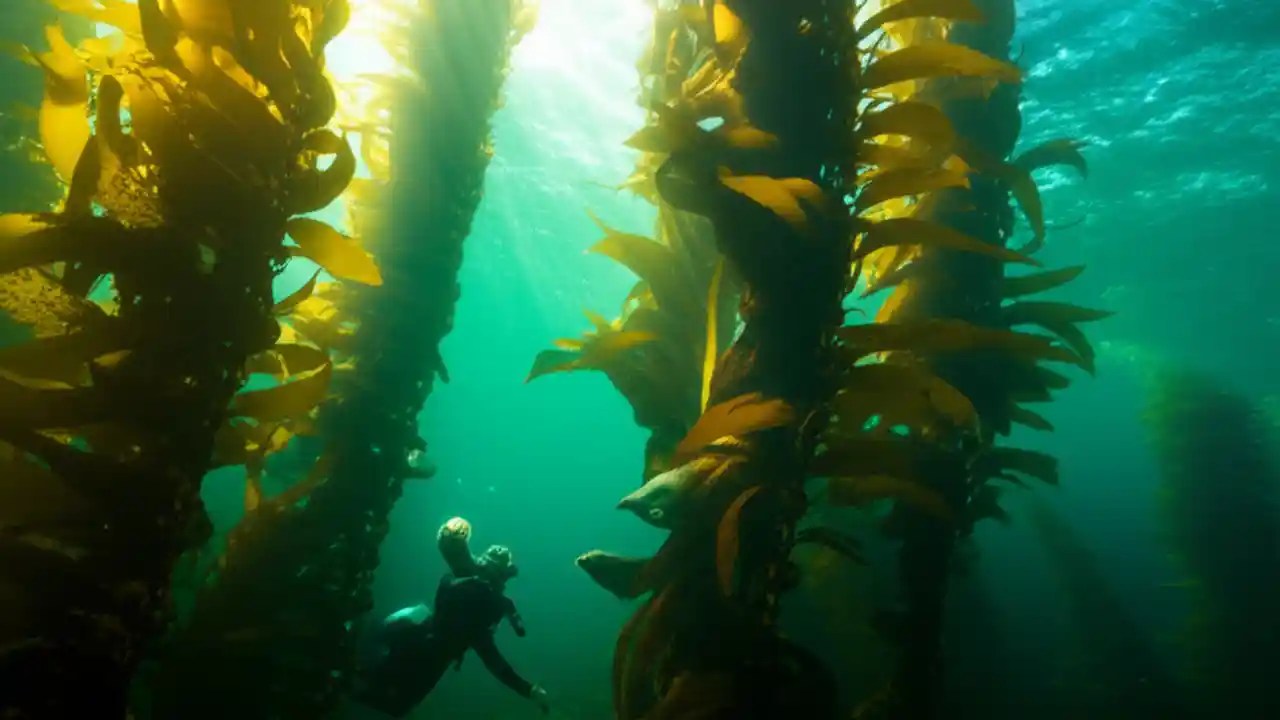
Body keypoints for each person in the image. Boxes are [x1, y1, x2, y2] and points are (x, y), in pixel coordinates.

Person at [353, 518, 550, 717]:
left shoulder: (479, 597)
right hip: (418, 646)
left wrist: (528, 690)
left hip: (417, 645)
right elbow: (492, 658)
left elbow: (491, 656)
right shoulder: (477, 588)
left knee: (380, 690)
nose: (498, 550)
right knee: (381, 691)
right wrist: (529, 690)